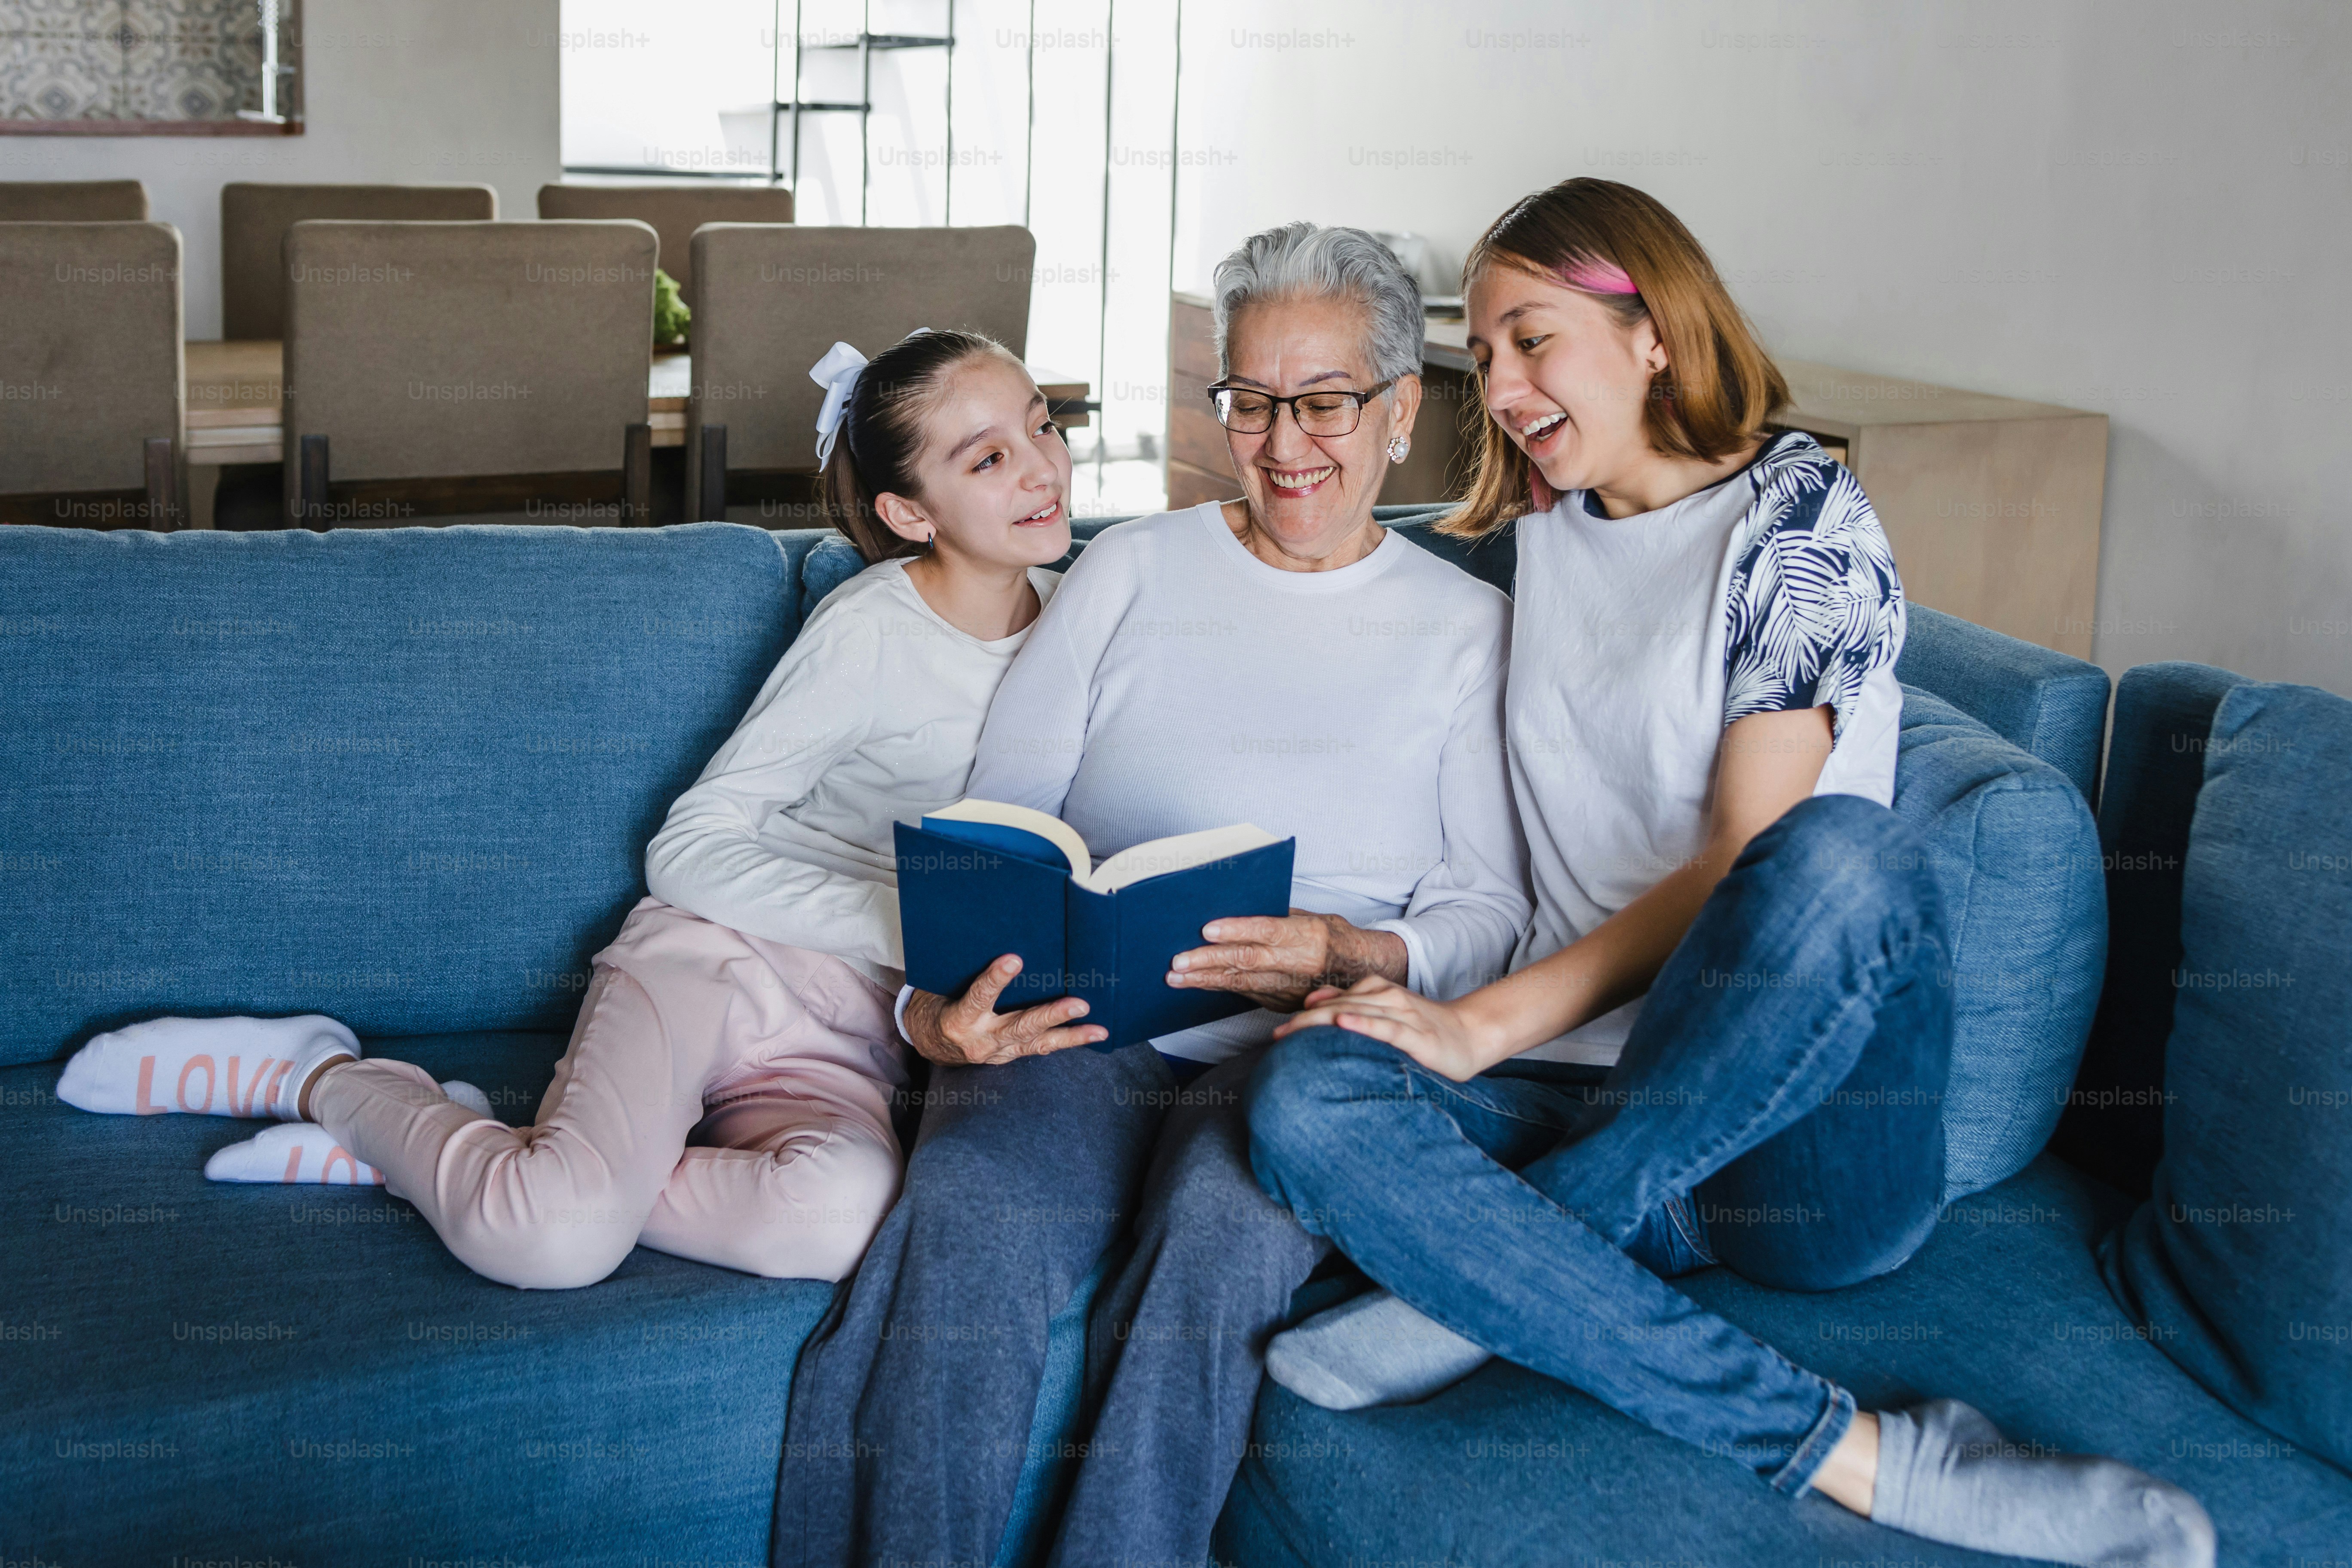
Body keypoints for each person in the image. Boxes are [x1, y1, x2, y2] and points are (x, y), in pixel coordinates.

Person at [1244, 178, 2214, 1568]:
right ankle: (1856, 1443)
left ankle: (1525, 1254)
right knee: (1300, 1088)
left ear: (1653, 332)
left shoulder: (1801, 522)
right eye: (1488, 349)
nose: (1500, 383)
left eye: (1532, 338)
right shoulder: (1549, 527)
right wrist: (1408, 977)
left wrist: (1478, 1024)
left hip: (1790, 1139)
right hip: (1576, 1092)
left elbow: (1733, 866)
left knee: (1839, 850)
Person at [775, 223, 1529, 1568]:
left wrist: (1356, 949)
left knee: (1220, 1249)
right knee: (973, 1222)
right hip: (1075, 1020)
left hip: (1292, 1054)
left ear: (1405, 411)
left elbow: (1489, 909)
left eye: (1327, 402)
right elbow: (1005, 812)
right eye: (1249, 401)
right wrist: (965, 989)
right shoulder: (1131, 568)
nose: (1283, 441)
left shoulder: (1468, 631)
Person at [56, 328, 1076, 1292]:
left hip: (854, 1035)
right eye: (986, 459)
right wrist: (907, 920)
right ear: (909, 513)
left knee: (844, 1221)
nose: (1040, 467)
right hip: (722, 964)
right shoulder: (871, 631)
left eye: (1042, 424)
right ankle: (317, 1079)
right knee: (551, 1243)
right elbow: (691, 849)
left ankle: (470, 1163)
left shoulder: (1087, 618)